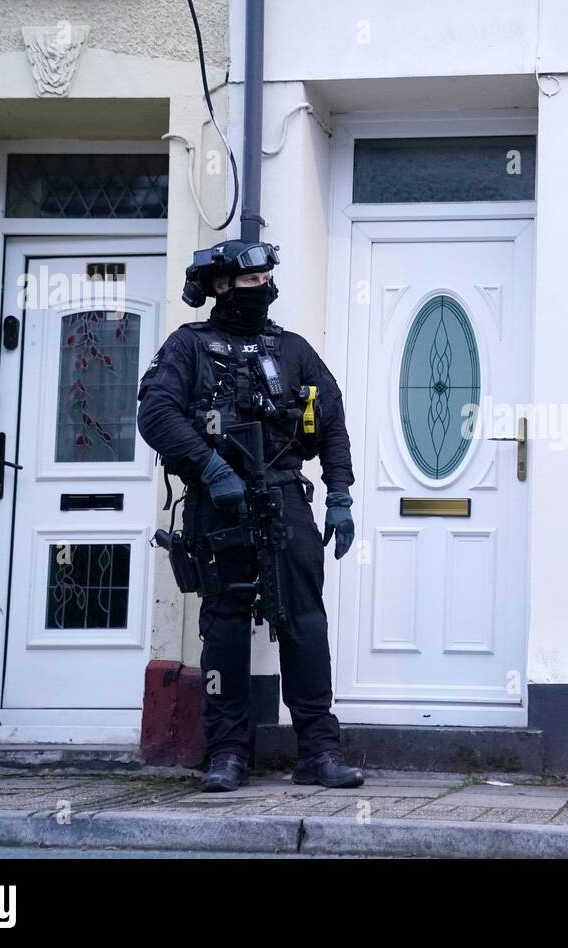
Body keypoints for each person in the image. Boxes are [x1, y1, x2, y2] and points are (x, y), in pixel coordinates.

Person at [136, 238, 364, 792]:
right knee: (226, 627)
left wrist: (340, 494)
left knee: (303, 621)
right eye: (250, 283)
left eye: (267, 282)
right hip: (219, 505)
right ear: (219, 287)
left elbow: (330, 421)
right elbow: (156, 414)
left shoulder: (292, 350)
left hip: (284, 497)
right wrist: (212, 469)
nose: (263, 291)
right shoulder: (188, 347)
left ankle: (318, 750)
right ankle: (227, 752)